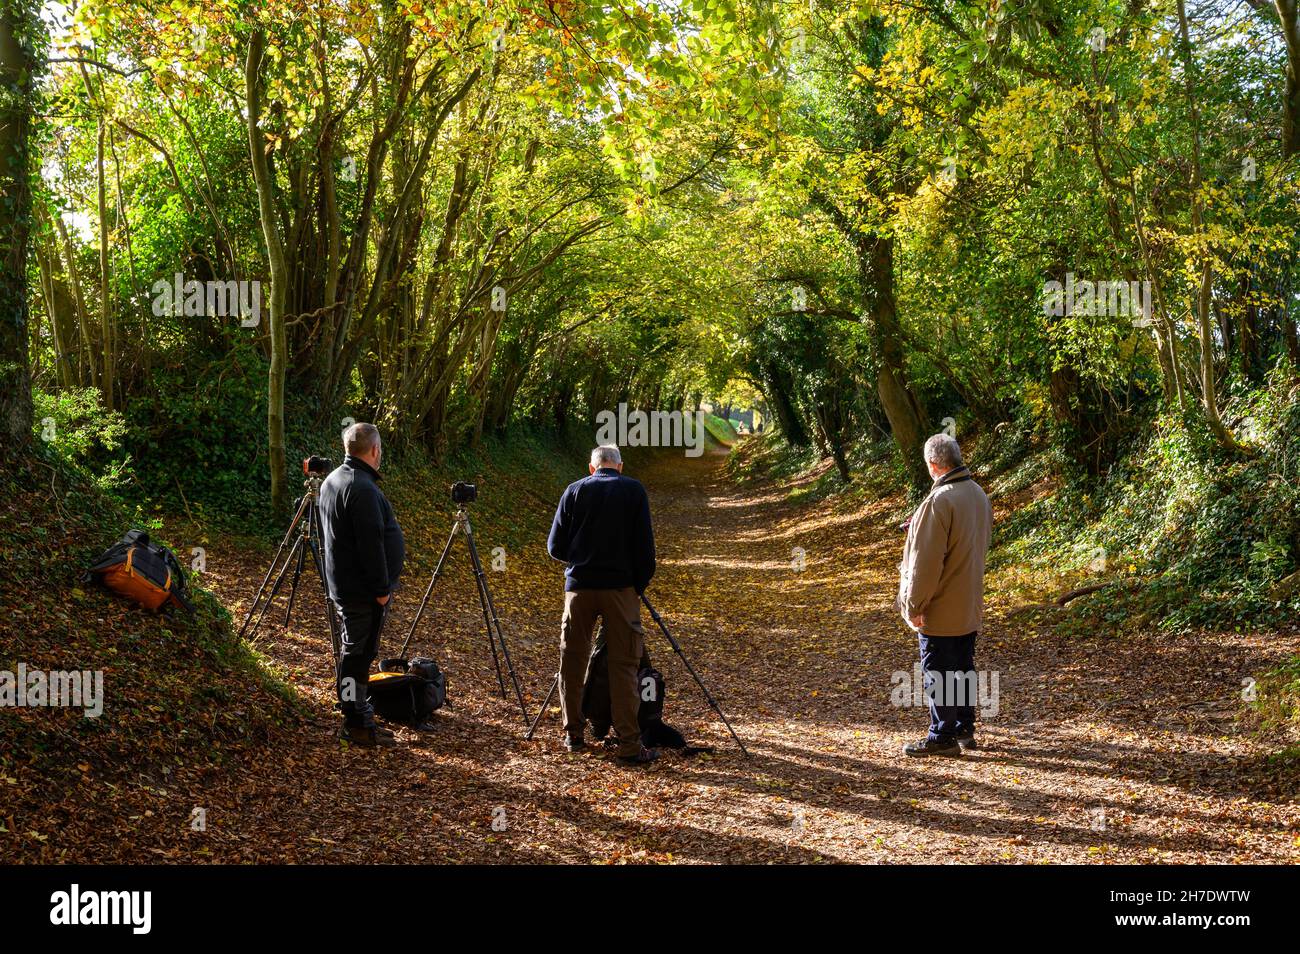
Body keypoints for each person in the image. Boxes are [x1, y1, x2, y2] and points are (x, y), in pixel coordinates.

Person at [547, 445, 658, 765]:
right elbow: (645, 550)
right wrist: (636, 586)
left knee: (572, 660)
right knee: (624, 665)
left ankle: (573, 735)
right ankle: (628, 745)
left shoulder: (574, 490)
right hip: (621, 589)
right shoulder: (633, 490)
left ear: (592, 468)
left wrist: (580, 561)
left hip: (579, 589)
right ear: (619, 467)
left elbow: (555, 546)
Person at [897, 433, 992, 757]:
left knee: (938, 670)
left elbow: (926, 561)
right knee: (963, 666)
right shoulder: (977, 493)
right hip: (969, 601)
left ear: (933, 465)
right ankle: (964, 727)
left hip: (942, 604)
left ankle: (942, 736)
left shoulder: (940, 501)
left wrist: (913, 605)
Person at [317, 422, 405, 747]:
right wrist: (381, 590)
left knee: (354, 651)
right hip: (361, 590)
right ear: (375, 450)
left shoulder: (332, 480)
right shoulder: (361, 487)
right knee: (357, 654)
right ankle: (355, 720)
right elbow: (371, 546)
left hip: (345, 584)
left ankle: (355, 708)